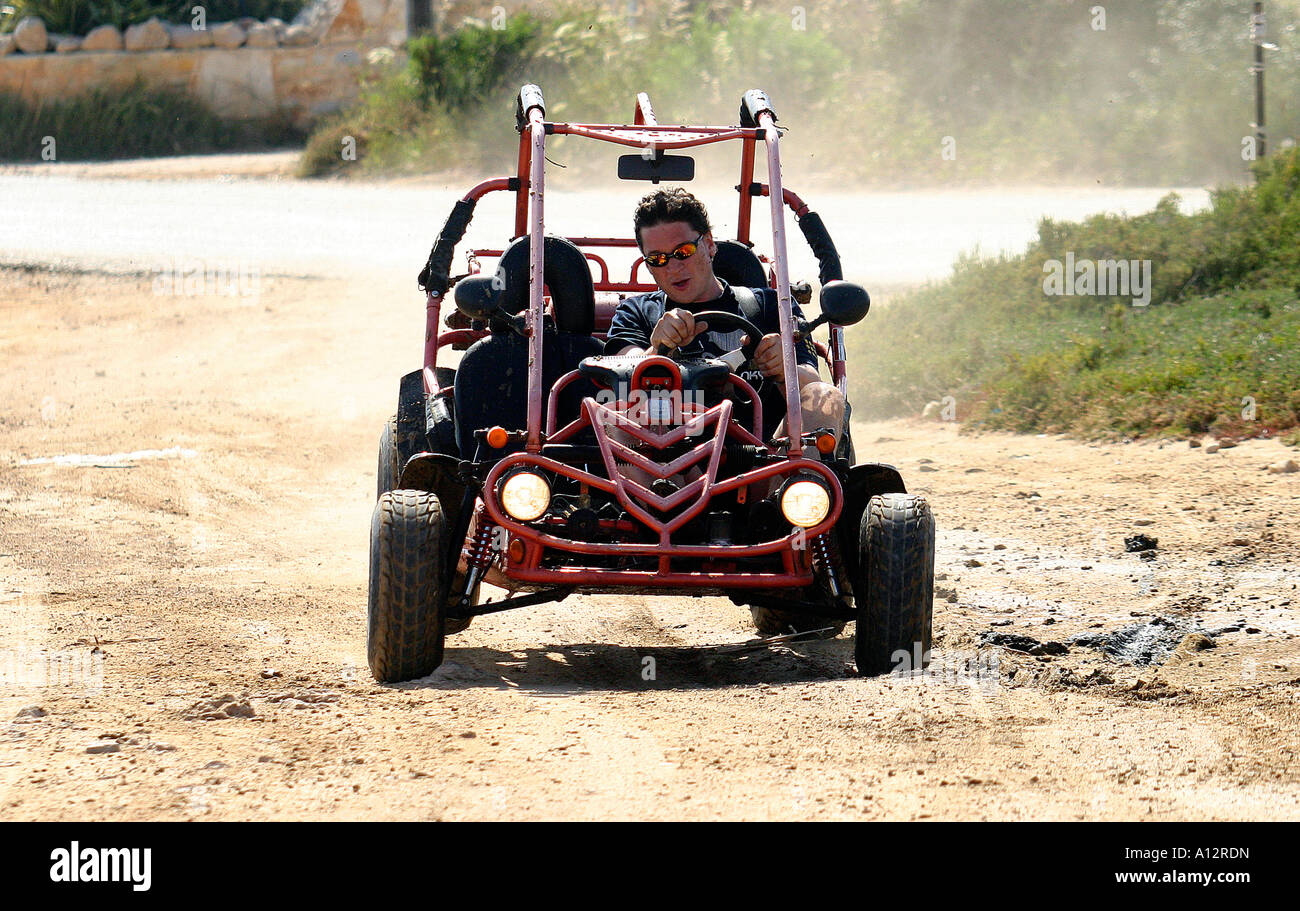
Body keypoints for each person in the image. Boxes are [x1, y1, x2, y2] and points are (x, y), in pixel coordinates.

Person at [606, 187, 845, 449]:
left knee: (825, 396)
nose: (673, 267)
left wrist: (783, 368)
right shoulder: (636, 312)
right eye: (658, 258)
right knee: (611, 410)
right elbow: (622, 379)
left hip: (765, 466)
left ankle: (796, 486)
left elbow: (815, 386)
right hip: (667, 471)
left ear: (709, 244)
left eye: (683, 252)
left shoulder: (772, 305)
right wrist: (656, 352)